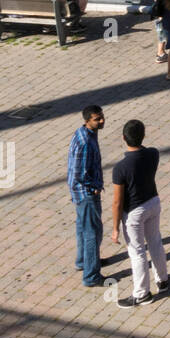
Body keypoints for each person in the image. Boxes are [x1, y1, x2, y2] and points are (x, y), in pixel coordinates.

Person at [110, 118, 170, 307]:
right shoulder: (153, 154)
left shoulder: (120, 168)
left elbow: (117, 201)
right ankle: (163, 279)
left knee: (137, 253)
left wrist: (115, 228)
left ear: (123, 138)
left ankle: (141, 293)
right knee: (155, 242)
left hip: (134, 212)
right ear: (143, 136)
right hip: (153, 202)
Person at [67, 105, 106, 287]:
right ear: (87, 121)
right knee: (93, 232)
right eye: (97, 119)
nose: (101, 121)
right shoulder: (85, 142)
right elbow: (79, 174)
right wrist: (94, 187)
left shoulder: (85, 133)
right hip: (86, 192)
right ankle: (91, 276)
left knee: (83, 227)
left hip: (80, 192)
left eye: (102, 117)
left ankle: (84, 261)